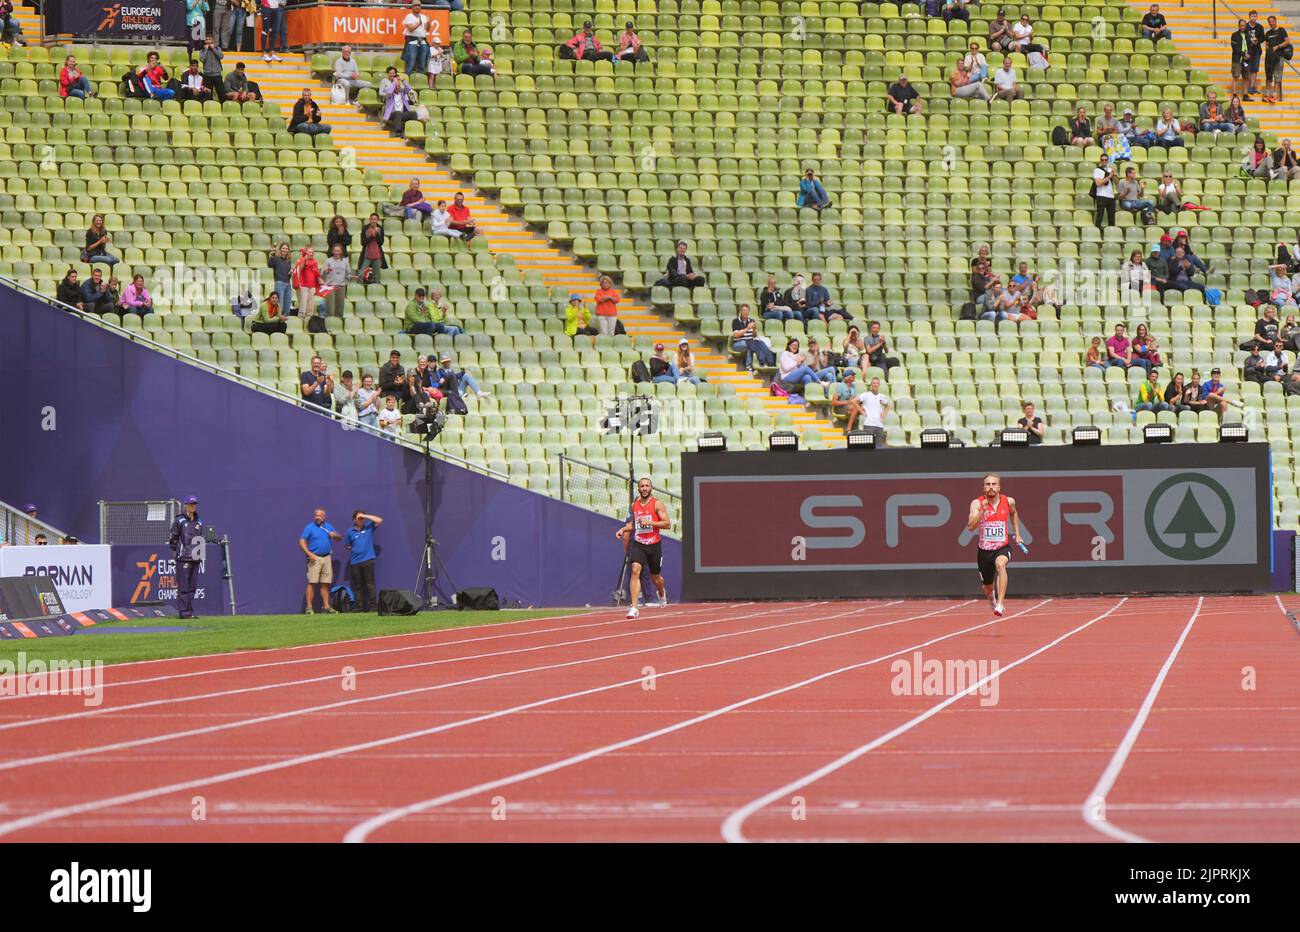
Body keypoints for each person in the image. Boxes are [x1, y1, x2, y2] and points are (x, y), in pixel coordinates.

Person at [967, 473, 1022, 617]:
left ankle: (1000, 603)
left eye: (994, 484)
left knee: (1000, 565)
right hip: (984, 551)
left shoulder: (1008, 501)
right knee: (987, 587)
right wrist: (981, 512)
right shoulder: (976, 504)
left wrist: (1017, 533)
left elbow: (1014, 513)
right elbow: (970, 526)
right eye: (988, 484)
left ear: (999, 487)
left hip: (1002, 547)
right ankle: (992, 599)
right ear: (983, 487)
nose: (991, 487)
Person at [616, 477, 671, 620]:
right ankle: (634, 608)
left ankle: (661, 592)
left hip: (654, 544)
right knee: (635, 570)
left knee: (656, 578)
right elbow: (634, 524)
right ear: (638, 488)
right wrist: (623, 529)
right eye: (642, 486)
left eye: (647, 486)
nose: (644, 488)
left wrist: (651, 522)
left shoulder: (657, 504)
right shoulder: (635, 505)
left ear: (651, 488)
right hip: (639, 543)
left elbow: (667, 524)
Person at [168, 495, 206, 619]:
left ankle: (189, 612)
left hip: (196, 557)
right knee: (183, 587)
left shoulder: (199, 521)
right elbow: (173, 539)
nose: (192, 506)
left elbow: (201, 537)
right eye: (190, 504)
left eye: (194, 504)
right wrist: (176, 553)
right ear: (185, 505)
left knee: (192, 587)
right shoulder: (179, 520)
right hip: (183, 557)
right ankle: (184, 613)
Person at [299, 508, 342, 615]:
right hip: (315, 558)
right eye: (316, 515)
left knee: (326, 583)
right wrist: (309, 554)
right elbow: (302, 541)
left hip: (327, 557)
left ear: (324, 516)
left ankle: (326, 607)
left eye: (320, 515)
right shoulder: (309, 527)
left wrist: (334, 535)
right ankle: (309, 608)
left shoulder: (328, 526)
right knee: (312, 583)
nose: (318, 517)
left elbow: (339, 538)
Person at [346, 511, 383, 613]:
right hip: (355, 562)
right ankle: (359, 607)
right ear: (354, 520)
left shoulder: (369, 527)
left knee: (370, 584)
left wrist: (365, 515)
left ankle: (373, 607)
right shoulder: (350, 531)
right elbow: (347, 545)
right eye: (359, 518)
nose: (362, 520)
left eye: (363, 518)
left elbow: (379, 520)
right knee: (357, 585)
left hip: (367, 560)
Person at [731, 303, 775, 370]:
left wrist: (754, 329)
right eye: (744, 310)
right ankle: (751, 365)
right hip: (738, 344)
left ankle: (766, 362)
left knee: (758, 344)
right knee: (751, 345)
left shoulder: (752, 321)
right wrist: (747, 328)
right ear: (740, 312)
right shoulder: (735, 321)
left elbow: (754, 335)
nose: (746, 312)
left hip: (750, 342)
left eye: (747, 310)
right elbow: (736, 335)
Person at [1263, 15, 1292, 102]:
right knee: (1268, 76)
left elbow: (1287, 41)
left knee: (1277, 76)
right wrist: (1268, 51)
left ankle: (1274, 96)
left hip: (1279, 57)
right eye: (1270, 22)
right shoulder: (1268, 33)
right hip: (1269, 57)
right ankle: (1267, 94)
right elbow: (1266, 45)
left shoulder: (1281, 30)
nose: (1271, 23)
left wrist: (1278, 46)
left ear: (1275, 21)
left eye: (1272, 21)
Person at [856, 376, 891, 446]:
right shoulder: (866, 395)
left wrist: (883, 416)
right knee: (867, 446)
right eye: (874, 383)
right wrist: (861, 411)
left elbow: (887, 406)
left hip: (879, 425)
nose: (875, 385)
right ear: (871, 385)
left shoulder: (882, 396)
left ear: (879, 385)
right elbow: (854, 401)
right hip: (869, 424)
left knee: (878, 447)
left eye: (877, 383)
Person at [402, 2, 431, 76]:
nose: (417, 7)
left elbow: (427, 29)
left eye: (419, 5)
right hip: (412, 41)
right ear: (412, 7)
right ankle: (407, 78)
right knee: (411, 61)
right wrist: (419, 23)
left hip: (422, 40)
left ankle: (420, 79)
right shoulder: (409, 16)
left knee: (422, 61)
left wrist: (428, 22)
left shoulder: (424, 16)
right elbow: (410, 29)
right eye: (415, 5)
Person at [293, 246, 321, 318]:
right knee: (303, 308)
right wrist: (305, 260)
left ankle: (308, 324)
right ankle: (299, 324)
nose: (311, 254)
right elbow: (300, 270)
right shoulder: (301, 260)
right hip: (303, 286)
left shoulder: (315, 262)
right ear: (306, 252)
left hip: (312, 286)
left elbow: (316, 273)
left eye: (312, 252)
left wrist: (319, 279)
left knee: (310, 308)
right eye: (310, 252)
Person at [357, 213, 386, 285]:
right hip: (367, 255)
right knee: (361, 273)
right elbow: (363, 243)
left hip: (377, 255)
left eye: (375, 219)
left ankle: (376, 289)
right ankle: (359, 286)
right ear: (369, 219)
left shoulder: (380, 229)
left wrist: (376, 234)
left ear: (377, 220)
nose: (373, 221)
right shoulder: (365, 228)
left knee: (376, 275)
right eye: (372, 219)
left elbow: (381, 242)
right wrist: (371, 236)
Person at [322, 244, 349, 317]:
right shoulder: (328, 261)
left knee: (340, 309)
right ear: (333, 251)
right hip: (330, 287)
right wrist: (325, 271)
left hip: (341, 287)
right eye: (335, 251)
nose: (337, 252)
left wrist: (352, 277)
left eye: (338, 251)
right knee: (330, 309)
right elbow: (322, 274)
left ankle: (339, 325)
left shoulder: (345, 261)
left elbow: (348, 274)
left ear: (341, 252)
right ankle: (329, 324)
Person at [1093, 153, 1117, 229]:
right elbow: (1098, 183)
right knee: (1100, 217)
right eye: (1102, 160)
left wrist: (1114, 175)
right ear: (1100, 161)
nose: (1104, 161)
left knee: (1112, 218)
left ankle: (1111, 235)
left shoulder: (1110, 170)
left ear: (1108, 161)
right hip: (1101, 195)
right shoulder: (1097, 170)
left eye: (1105, 160)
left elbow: (1117, 183)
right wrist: (1109, 176)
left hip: (1111, 196)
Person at [200, 35, 225, 100]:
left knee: (221, 93)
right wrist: (206, 49)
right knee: (207, 94)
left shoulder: (217, 48)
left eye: (210, 39)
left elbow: (221, 56)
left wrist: (213, 48)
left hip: (217, 74)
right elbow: (202, 59)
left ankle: (222, 106)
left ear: (213, 41)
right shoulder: (202, 50)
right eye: (207, 39)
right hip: (207, 75)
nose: (208, 41)